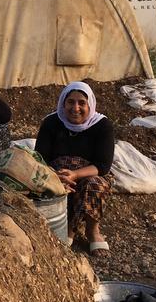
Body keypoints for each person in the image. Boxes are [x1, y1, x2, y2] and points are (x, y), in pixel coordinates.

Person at [35, 81, 115, 257]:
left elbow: (103, 165)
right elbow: (39, 158)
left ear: (90, 105)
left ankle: (92, 230)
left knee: (95, 185)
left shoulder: (102, 126)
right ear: (63, 103)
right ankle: (68, 227)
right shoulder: (51, 123)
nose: (75, 108)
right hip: (56, 174)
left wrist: (75, 174)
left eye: (81, 103)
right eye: (70, 102)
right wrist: (55, 176)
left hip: (88, 173)